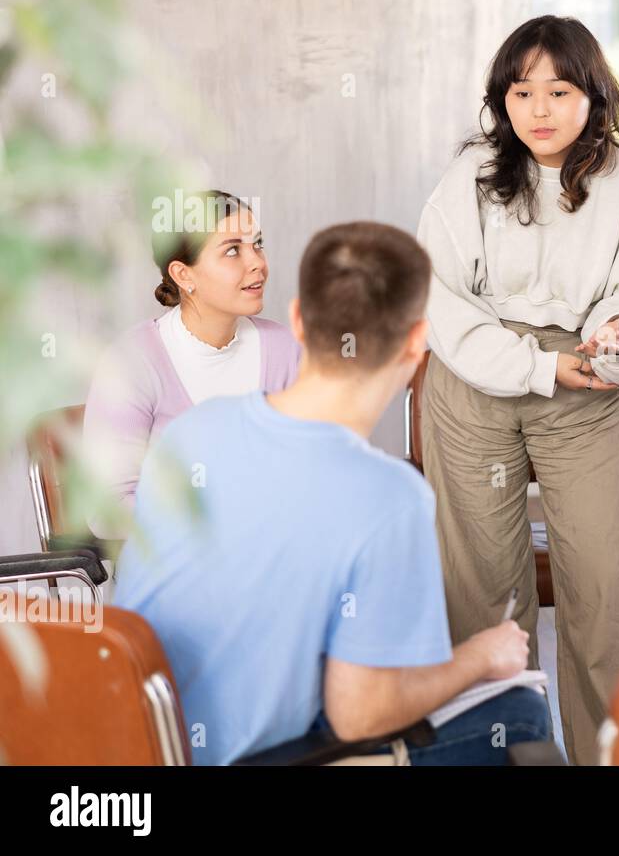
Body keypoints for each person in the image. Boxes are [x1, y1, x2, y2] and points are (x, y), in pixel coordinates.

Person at [113, 222, 552, 766]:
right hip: (235, 759)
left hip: (132, 742)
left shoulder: (191, 433)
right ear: (418, 342)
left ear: (297, 320)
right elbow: (360, 715)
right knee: (521, 713)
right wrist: (482, 656)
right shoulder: (391, 497)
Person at [414, 15, 619, 765]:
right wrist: (534, 366)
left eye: (558, 90)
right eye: (521, 90)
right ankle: (502, 752)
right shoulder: (469, 172)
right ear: (502, 100)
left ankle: (610, 754)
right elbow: (439, 297)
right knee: (484, 589)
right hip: (476, 379)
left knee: (599, 582)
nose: (538, 109)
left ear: (593, 96)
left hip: (585, 382)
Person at [83, 190, 299, 538]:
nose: (257, 262)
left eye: (257, 243)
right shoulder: (133, 363)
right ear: (184, 275)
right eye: (232, 250)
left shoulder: (284, 350)